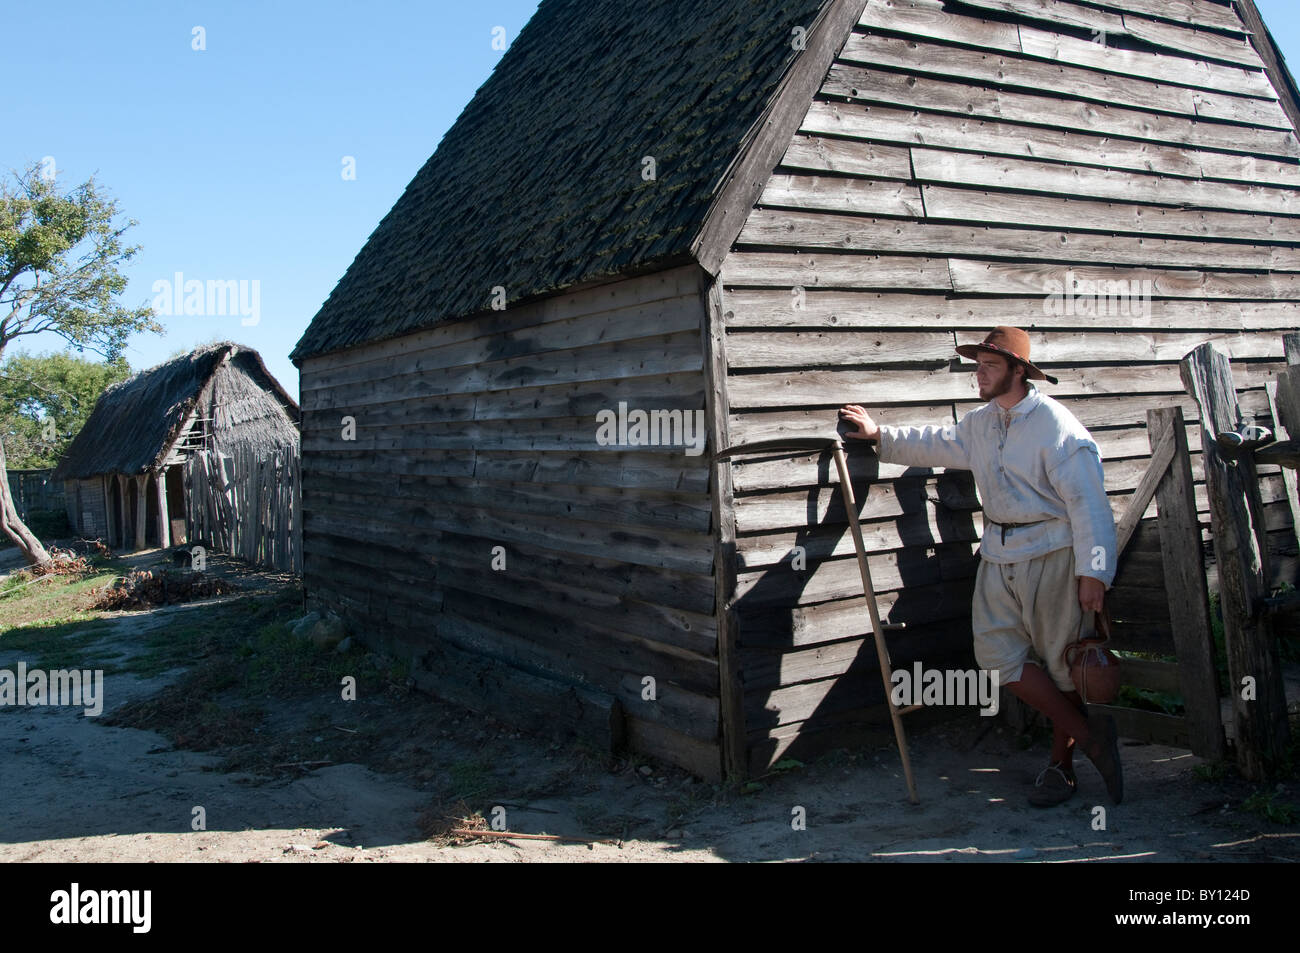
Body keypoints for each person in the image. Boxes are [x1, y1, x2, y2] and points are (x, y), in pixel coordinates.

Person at [839, 327, 1123, 806]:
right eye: (978, 365)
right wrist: (879, 435)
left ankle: (1061, 766)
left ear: (1018, 371)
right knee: (997, 658)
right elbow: (938, 442)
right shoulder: (980, 422)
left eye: (990, 367)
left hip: (1052, 553)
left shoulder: (1057, 427)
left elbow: (1089, 503)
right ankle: (1091, 737)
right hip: (997, 552)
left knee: (1060, 666)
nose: (979, 374)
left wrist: (1094, 574)